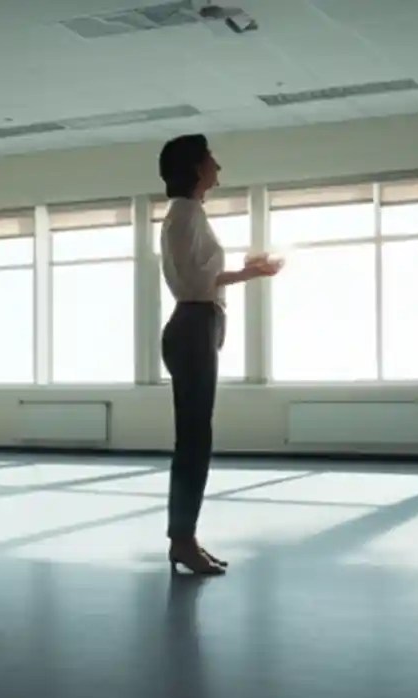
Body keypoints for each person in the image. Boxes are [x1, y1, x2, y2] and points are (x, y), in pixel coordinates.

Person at [158, 134, 282, 575]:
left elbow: (200, 278)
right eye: (211, 160)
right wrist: (250, 272)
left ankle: (185, 538)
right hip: (193, 325)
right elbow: (196, 282)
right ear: (195, 168)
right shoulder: (186, 214)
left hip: (196, 324)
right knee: (194, 441)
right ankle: (182, 539)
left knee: (195, 439)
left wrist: (250, 271)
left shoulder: (188, 214)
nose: (218, 167)